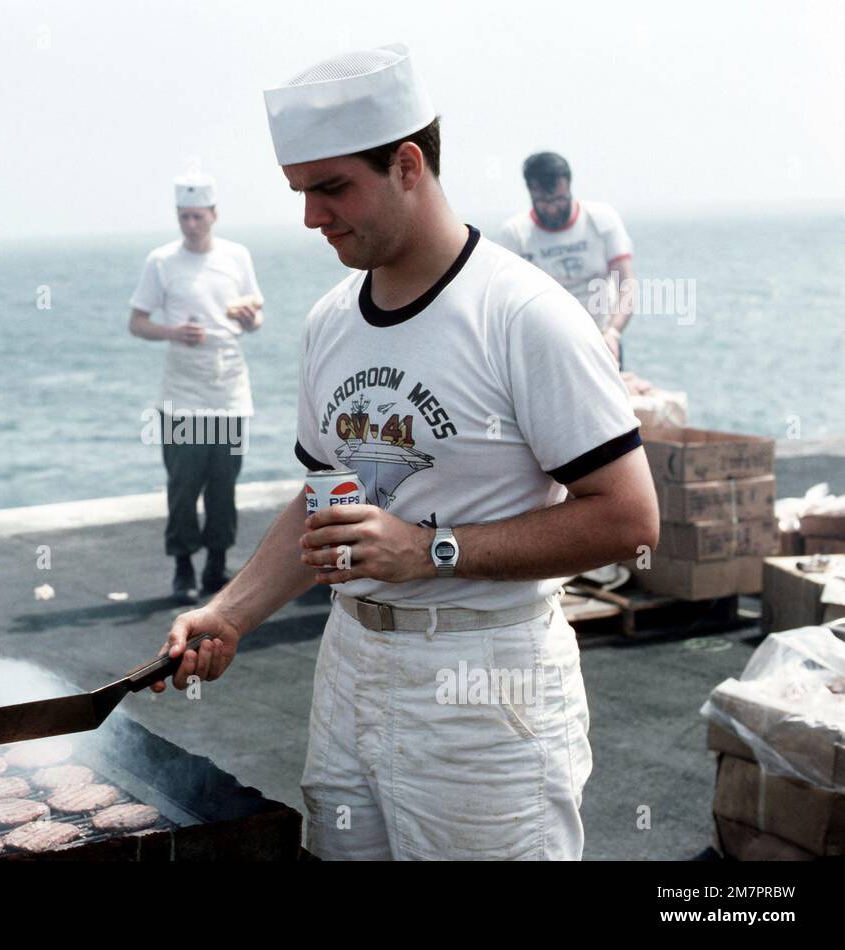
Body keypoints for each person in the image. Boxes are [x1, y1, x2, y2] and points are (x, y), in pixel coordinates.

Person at [150, 44, 659, 860]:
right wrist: (229, 611)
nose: (313, 217)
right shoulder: (330, 322)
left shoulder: (522, 314)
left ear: (409, 164)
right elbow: (327, 500)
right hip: (351, 667)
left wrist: (431, 550)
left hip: (485, 686)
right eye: (302, 193)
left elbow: (631, 521)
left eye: (332, 187)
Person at [128, 173, 264, 603]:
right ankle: (183, 566)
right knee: (184, 485)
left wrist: (248, 318)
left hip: (228, 391)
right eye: (183, 217)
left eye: (197, 217)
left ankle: (217, 567)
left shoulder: (236, 256)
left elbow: (255, 312)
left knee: (224, 485)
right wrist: (173, 331)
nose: (190, 225)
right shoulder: (161, 261)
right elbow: (137, 322)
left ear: (213, 216)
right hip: (182, 396)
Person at [496, 152, 636, 368]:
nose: (552, 208)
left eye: (559, 199)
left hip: (602, 338)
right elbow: (503, 302)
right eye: (542, 201)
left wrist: (614, 332)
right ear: (530, 192)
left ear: (569, 188)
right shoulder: (516, 235)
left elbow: (627, 284)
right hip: (546, 347)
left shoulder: (602, 221)